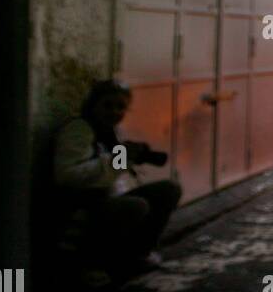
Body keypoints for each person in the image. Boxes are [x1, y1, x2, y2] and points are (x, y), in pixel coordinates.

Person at [54, 79, 182, 281]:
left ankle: (136, 255)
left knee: (169, 189)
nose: (114, 112)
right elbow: (67, 175)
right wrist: (118, 158)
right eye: (107, 105)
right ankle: (89, 263)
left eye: (120, 107)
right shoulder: (79, 129)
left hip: (108, 197)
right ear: (93, 104)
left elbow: (116, 172)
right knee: (135, 205)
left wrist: (132, 156)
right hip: (81, 205)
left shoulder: (113, 132)